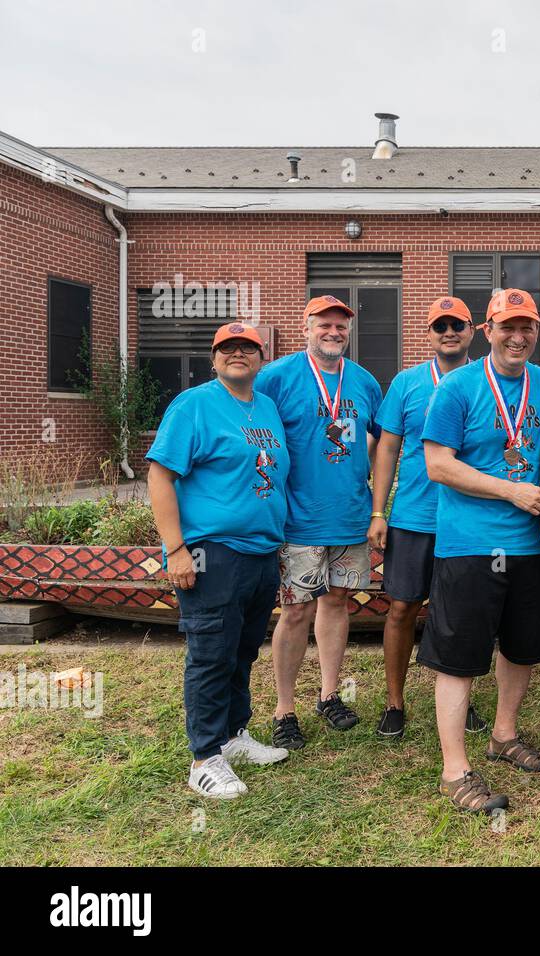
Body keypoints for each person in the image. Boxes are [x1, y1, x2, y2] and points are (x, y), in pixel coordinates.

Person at [419, 288, 540, 813]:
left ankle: (503, 735)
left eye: (527, 327)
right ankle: (454, 769)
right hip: (470, 544)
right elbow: (438, 465)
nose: (518, 336)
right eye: (508, 327)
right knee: (458, 659)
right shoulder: (457, 388)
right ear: (488, 330)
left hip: (527, 545)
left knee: (521, 648)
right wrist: (510, 490)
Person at [147, 322, 291, 798]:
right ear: (213, 359)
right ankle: (205, 757)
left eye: (246, 347)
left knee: (243, 649)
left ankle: (233, 735)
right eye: (226, 348)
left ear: (260, 357)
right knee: (210, 654)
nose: (237, 354)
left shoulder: (266, 407)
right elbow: (160, 476)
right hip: (214, 553)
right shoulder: (193, 405)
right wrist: (175, 549)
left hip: (260, 552)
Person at [255, 296, 383, 750]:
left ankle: (329, 695)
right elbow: (251, 426)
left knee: (338, 604)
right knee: (295, 612)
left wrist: (371, 502)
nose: (333, 332)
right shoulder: (277, 377)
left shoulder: (364, 381)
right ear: (306, 327)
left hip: (349, 518)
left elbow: (377, 439)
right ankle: (284, 709)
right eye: (324, 324)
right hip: (299, 520)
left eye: (341, 326)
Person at [368, 296, 486, 739]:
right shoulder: (407, 382)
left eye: (458, 324)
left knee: (458, 615)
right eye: (441, 326)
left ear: (472, 331)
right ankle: (394, 702)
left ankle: (460, 700)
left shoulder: (486, 381)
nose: (450, 332)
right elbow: (388, 448)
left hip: (469, 518)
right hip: (415, 516)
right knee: (401, 607)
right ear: (429, 333)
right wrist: (379, 510)